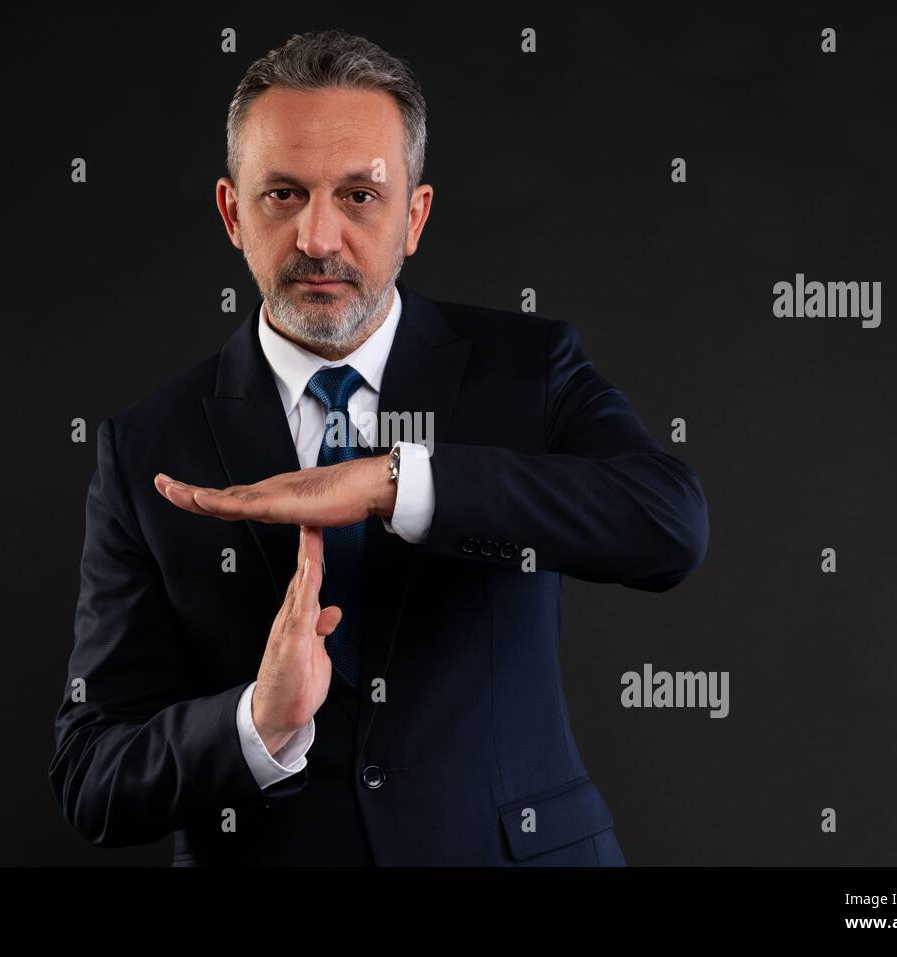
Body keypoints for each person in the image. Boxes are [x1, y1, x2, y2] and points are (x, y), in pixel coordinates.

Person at [48, 28, 709, 866]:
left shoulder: (527, 369)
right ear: (231, 212)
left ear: (415, 216)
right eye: (283, 194)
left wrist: (397, 484)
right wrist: (259, 722)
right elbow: (90, 772)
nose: (319, 238)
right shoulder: (146, 444)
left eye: (360, 195)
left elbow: (669, 524)